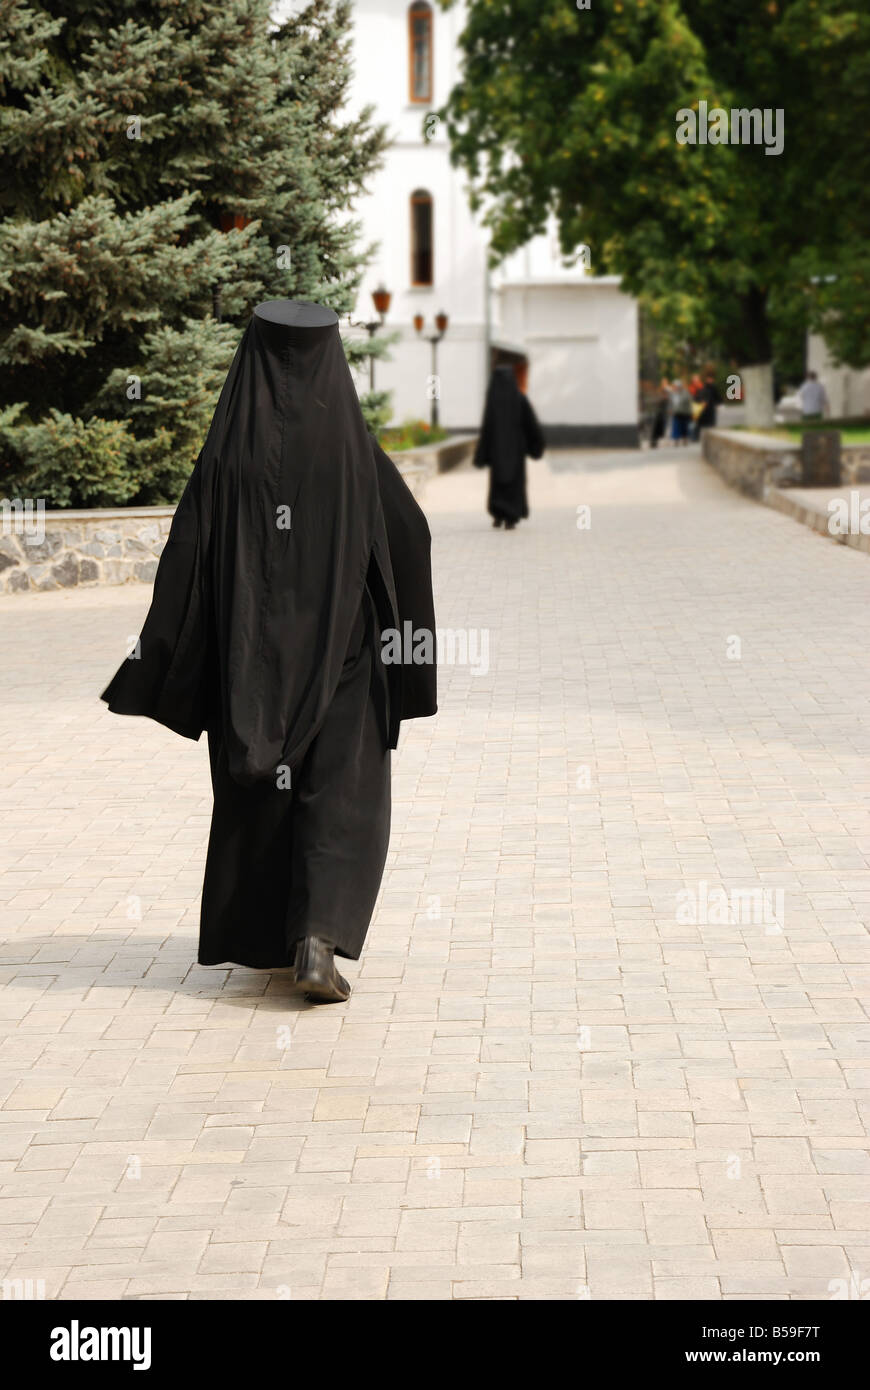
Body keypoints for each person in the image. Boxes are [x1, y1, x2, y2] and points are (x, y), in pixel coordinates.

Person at [100, 300, 437, 1004]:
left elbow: (187, 553)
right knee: (341, 787)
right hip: (342, 650)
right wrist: (406, 656)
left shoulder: (230, 447)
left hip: (250, 659)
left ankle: (266, 936)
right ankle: (316, 938)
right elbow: (409, 533)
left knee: (265, 787)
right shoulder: (347, 444)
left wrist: (162, 661)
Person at [474, 364, 544, 528]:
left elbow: (487, 428)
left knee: (498, 482)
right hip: (516, 450)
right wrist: (536, 446)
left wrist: (483, 454)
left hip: (496, 450)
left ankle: (498, 514)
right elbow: (530, 424)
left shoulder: (492, 400)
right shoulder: (519, 398)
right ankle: (511, 517)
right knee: (514, 481)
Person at [694, 369, 722, 436]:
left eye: (711, 379)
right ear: (707, 379)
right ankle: (697, 435)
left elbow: (717, 396)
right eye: (709, 379)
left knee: (711, 422)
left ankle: (711, 434)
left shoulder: (713, 387)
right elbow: (697, 397)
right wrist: (701, 402)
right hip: (703, 407)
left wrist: (718, 404)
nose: (710, 380)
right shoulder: (703, 387)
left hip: (711, 407)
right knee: (701, 422)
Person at [669, 378, 693, 445]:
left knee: (684, 427)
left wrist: (690, 412)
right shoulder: (672, 394)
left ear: (679, 387)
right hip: (676, 413)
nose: (675, 387)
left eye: (676, 386)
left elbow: (689, 403)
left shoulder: (685, 393)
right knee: (676, 427)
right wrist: (670, 409)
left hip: (684, 413)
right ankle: (676, 440)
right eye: (674, 386)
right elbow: (671, 403)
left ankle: (685, 439)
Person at [650, 377, 670, 448]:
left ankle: (656, 441)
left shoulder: (667, 391)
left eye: (665, 382)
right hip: (659, 412)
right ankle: (654, 442)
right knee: (657, 427)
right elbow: (658, 399)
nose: (663, 383)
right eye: (663, 382)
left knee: (661, 427)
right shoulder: (661, 390)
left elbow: (666, 399)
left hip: (664, 412)